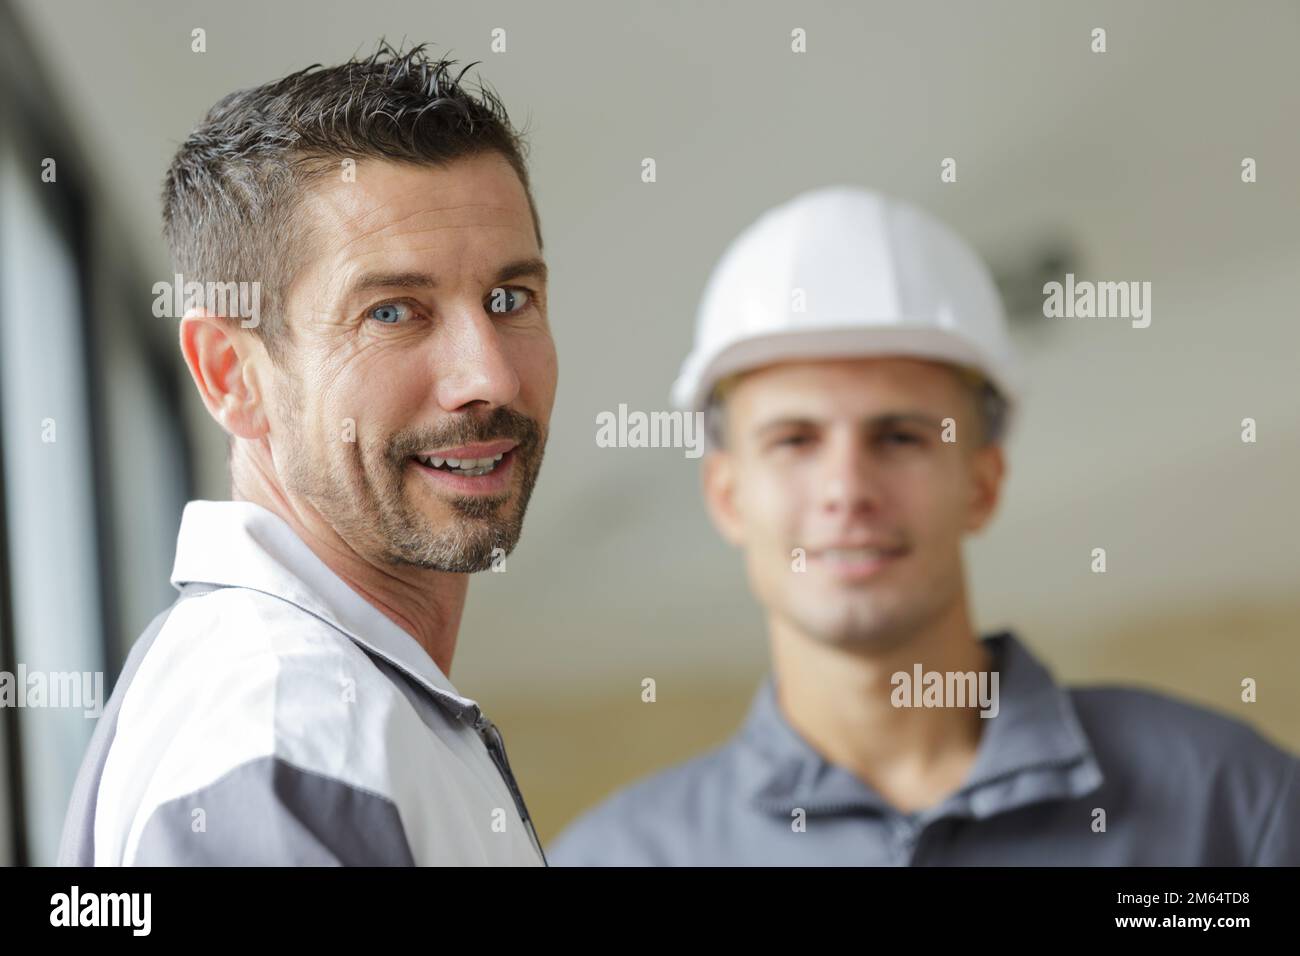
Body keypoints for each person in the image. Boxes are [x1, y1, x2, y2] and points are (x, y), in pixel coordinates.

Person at [549, 186, 1299, 865]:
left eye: (901, 436)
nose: (847, 489)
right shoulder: (614, 858)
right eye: (795, 441)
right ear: (726, 495)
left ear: (983, 481)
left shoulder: (1226, 809)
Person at [58, 43, 556, 865]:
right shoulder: (288, 726)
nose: (489, 376)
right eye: (393, 313)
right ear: (232, 376)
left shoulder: (349, 710)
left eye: (510, 299)